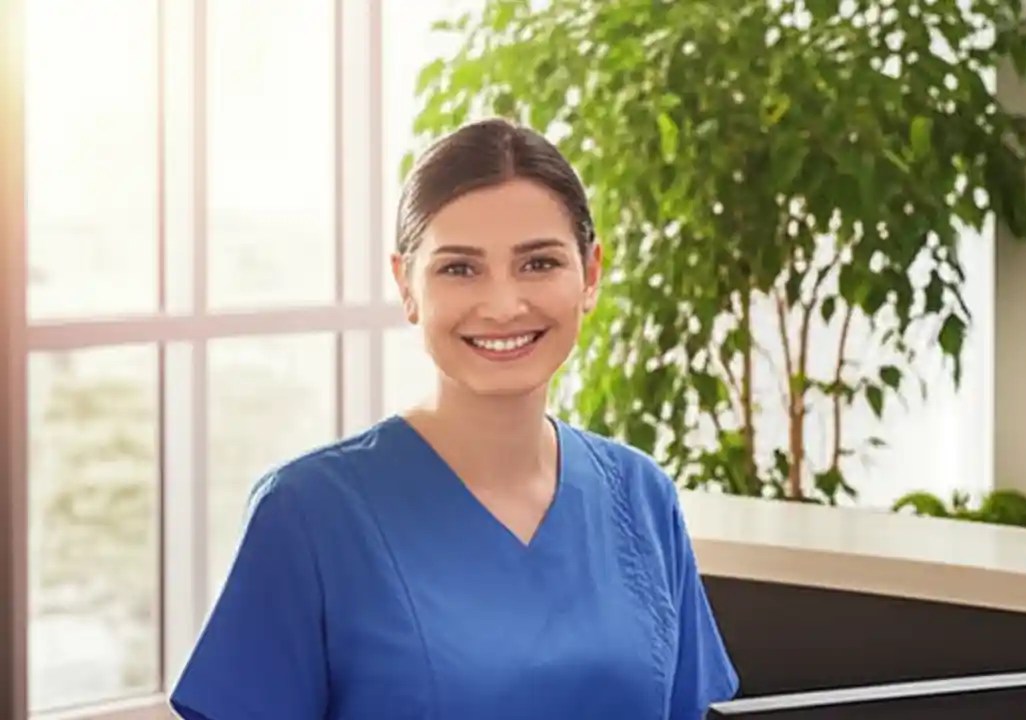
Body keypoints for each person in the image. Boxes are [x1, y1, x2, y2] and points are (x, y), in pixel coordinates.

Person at [169, 117, 740, 719]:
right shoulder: (310, 514)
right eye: (460, 269)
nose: (502, 305)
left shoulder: (640, 495)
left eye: (539, 263)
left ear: (590, 275)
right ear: (407, 284)